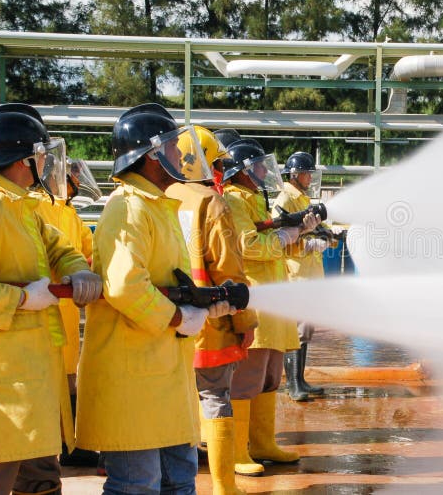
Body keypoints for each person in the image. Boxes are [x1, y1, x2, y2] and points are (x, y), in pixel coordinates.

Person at [0, 103, 102, 494]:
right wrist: (20, 299)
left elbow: (58, 247)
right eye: (40, 154)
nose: (45, 163)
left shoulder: (19, 205)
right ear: (22, 159)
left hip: (29, 375)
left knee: (41, 476)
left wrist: (76, 269)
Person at [74, 103, 234, 494]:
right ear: (149, 157)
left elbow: (170, 280)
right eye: (171, 147)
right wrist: (179, 318)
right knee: (137, 483)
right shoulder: (127, 208)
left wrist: (201, 303)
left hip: (163, 373)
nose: (180, 155)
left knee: (179, 480)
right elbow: (125, 286)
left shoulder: (159, 207)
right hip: (134, 378)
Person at [166, 125, 258, 495]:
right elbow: (230, 272)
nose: (220, 170)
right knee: (215, 398)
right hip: (212, 324)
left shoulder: (162, 197)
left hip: (166, 321)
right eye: (217, 162)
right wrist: (246, 320)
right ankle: (224, 486)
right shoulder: (210, 202)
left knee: (176, 401)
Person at [221, 141, 319, 476]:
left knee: (269, 378)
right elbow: (245, 245)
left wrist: (294, 231)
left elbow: (269, 235)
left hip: (274, 299)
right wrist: (284, 237)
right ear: (243, 170)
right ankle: (237, 451)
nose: (265, 172)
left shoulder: (254, 199)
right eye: (259, 166)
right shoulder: (234, 200)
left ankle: (263, 443)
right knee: (247, 380)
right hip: (257, 297)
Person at [33, 158, 100, 467]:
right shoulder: (36, 206)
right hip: (44, 307)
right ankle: (48, 444)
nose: (76, 181)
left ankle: (69, 443)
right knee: (47, 379)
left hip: (68, 310)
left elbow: (87, 252)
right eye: (72, 176)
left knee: (69, 378)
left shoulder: (69, 213)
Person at [273, 151, 331, 401]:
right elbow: (279, 237)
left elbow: (317, 227)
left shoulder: (302, 197)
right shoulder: (286, 198)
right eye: (307, 173)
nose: (310, 177)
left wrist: (328, 235)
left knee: (305, 329)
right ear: (296, 175)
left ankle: (301, 381)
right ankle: (293, 385)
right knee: (297, 330)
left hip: (309, 275)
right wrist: (309, 245)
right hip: (296, 275)